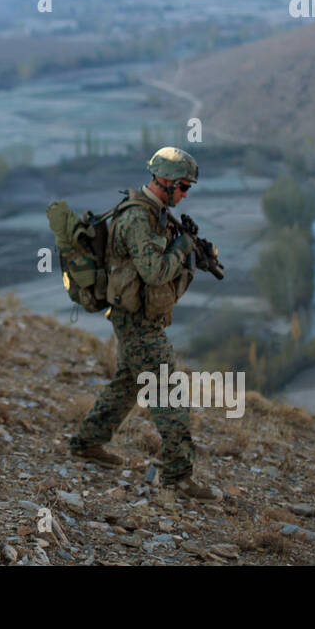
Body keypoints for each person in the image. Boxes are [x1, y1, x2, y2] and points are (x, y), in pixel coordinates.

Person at [68, 146, 219, 500]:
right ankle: (179, 478)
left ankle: (87, 443)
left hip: (138, 316)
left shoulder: (156, 213)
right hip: (137, 320)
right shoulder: (138, 218)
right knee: (168, 390)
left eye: (188, 189)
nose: (185, 194)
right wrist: (181, 249)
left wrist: (191, 250)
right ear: (165, 181)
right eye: (183, 187)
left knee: (129, 382)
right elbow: (154, 272)